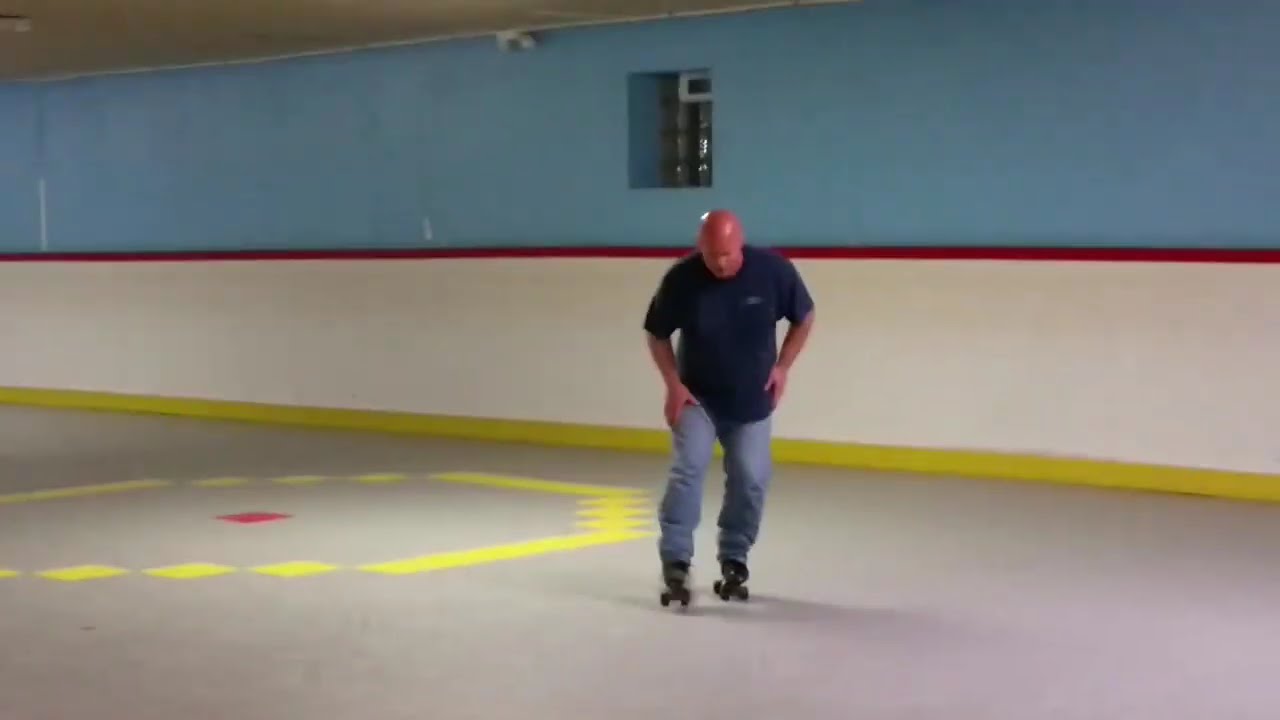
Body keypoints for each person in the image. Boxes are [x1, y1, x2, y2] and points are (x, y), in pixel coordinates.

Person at [642, 209, 815, 594]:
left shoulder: (773, 272)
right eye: (712, 255)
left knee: (751, 477)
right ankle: (676, 559)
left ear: (741, 244)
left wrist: (783, 366)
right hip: (697, 398)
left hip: (752, 401)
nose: (721, 263)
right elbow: (656, 334)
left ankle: (735, 556)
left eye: (728, 254)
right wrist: (672, 384)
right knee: (688, 469)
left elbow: (805, 316)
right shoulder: (682, 278)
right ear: (699, 248)